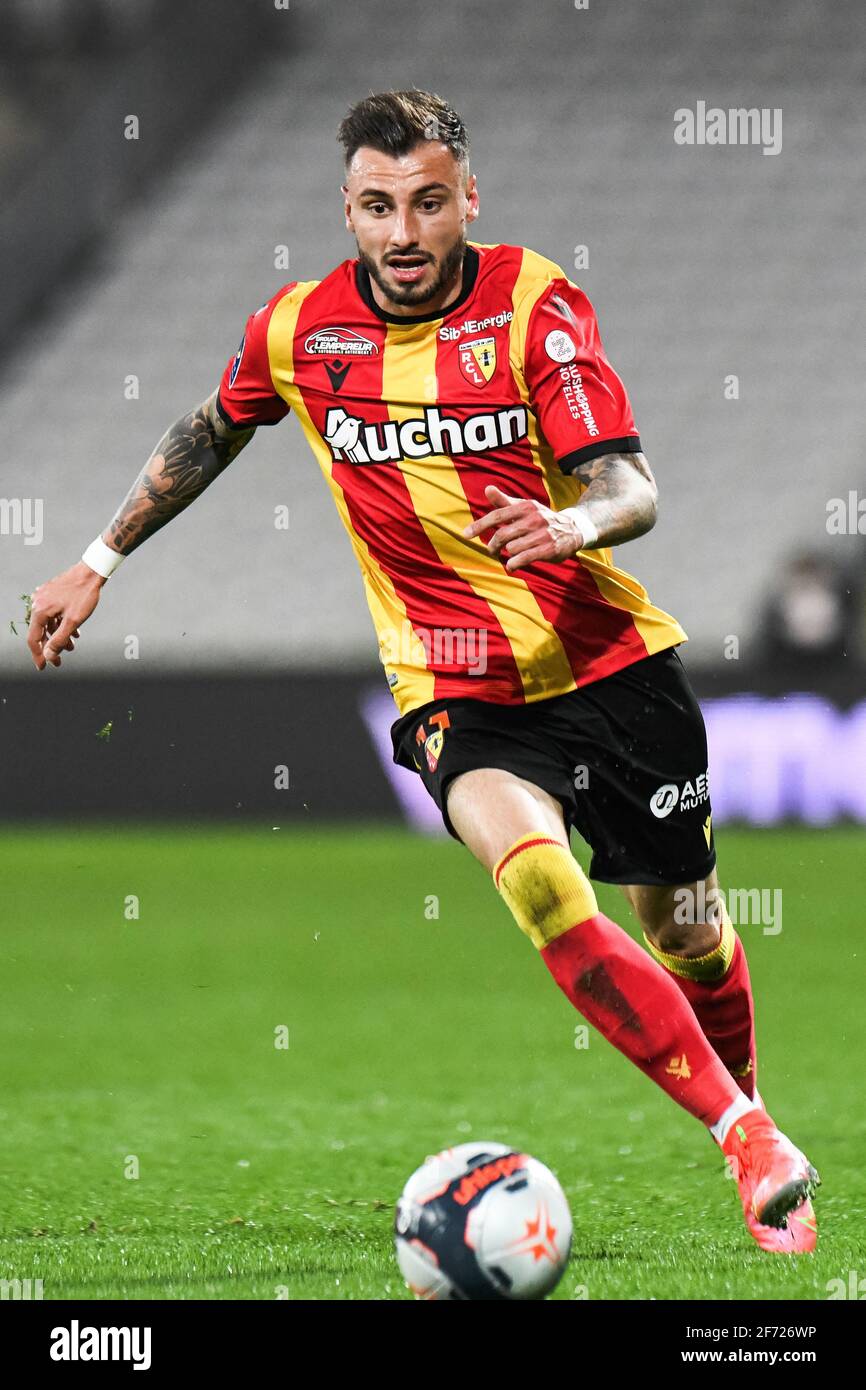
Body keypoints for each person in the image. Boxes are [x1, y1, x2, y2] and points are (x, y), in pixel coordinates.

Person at [27, 88, 819, 1254]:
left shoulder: (534, 306)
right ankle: (744, 1138)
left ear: (467, 202)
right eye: (375, 206)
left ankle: (746, 1110)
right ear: (345, 210)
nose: (402, 233)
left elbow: (632, 487)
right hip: (452, 685)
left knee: (686, 924)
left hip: (607, 667)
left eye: (427, 204)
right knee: (543, 888)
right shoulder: (298, 330)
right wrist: (97, 560)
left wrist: (571, 526)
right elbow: (210, 428)